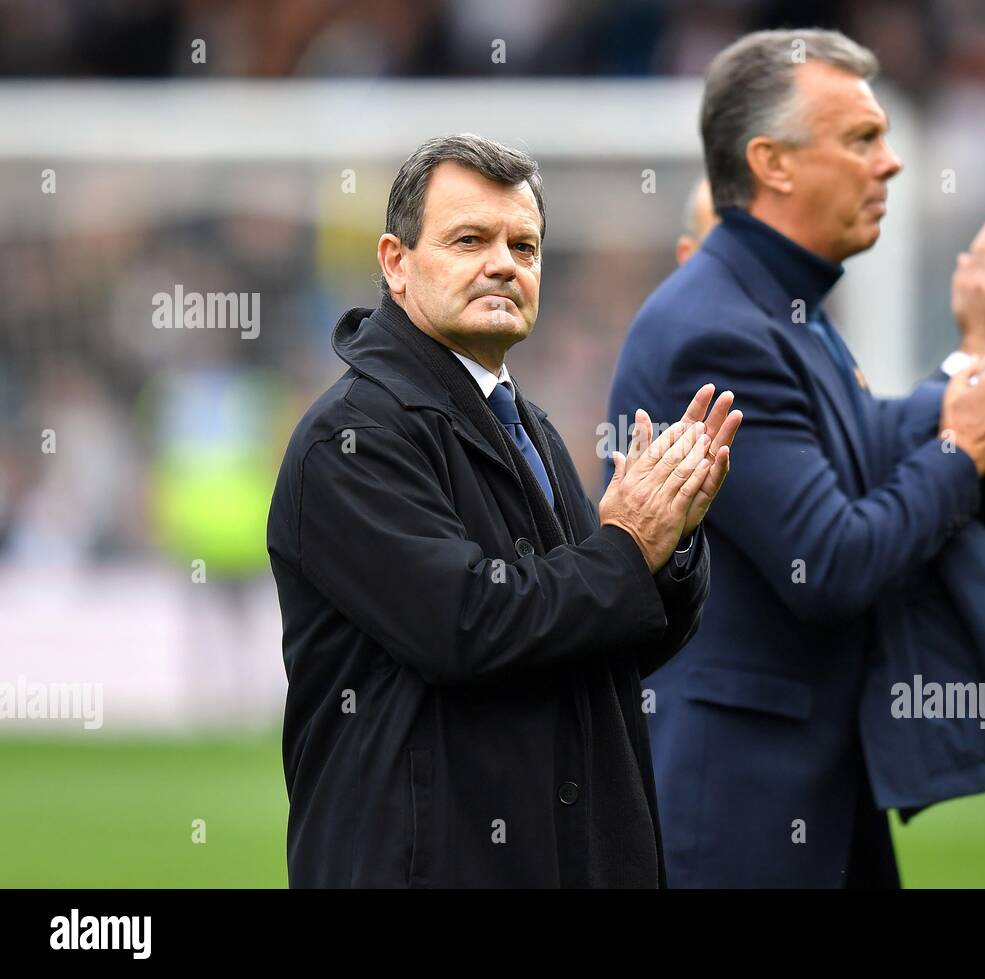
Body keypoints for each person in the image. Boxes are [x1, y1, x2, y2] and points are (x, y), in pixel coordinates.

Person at [607, 28, 985, 887]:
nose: (891, 164)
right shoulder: (716, 327)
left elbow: (870, 449)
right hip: (737, 813)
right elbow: (829, 562)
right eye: (861, 139)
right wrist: (969, 440)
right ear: (772, 163)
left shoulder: (776, 307)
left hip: (807, 795)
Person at [267, 134, 741, 888]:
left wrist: (671, 548)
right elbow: (467, 624)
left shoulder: (528, 426)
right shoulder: (351, 439)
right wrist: (626, 545)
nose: (503, 264)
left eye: (524, 245)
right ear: (395, 262)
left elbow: (596, 633)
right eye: (469, 240)